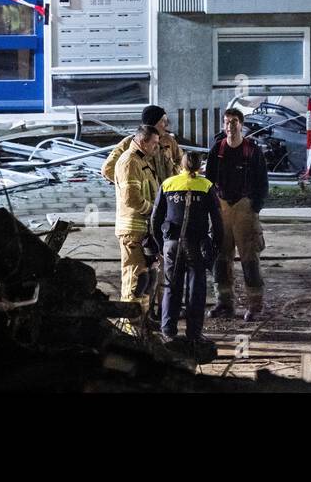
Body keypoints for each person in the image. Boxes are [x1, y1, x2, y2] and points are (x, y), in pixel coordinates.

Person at [150, 151, 223, 351]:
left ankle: (168, 332)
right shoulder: (206, 186)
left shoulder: (168, 184)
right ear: (200, 167)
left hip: (171, 243)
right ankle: (193, 335)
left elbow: (155, 218)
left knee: (171, 287)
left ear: (181, 165)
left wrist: (159, 244)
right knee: (195, 290)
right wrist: (215, 247)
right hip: (196, 244)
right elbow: (217, 221)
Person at [206, 107, 269, 321]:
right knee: (221, 260)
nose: (230, 126)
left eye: (233, 122)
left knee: (250, 259)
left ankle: (255, 305)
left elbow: (263, 182)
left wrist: (254, 207)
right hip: (222, 208)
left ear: (241, 124)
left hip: (245, 210)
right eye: (226, 122)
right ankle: (224, 303)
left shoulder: (252, 151)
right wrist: (213, 208)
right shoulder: (217, 150)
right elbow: (209, 181)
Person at [112, 125, 162, 333]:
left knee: (147, 277)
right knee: (135, 278)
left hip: (143, 230)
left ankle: (142, 319)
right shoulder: (130, 162)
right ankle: (129, 325)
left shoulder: (141, 161)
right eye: (154, 143)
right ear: (143, 141)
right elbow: (131, 198)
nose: (157, 148)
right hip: (133, 230)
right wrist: (154, 210)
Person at [101, 105, 182, 187]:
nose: (166, 124)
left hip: (166, 195)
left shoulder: (168, 140)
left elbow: (181, 161)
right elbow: (107, 169)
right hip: (144, 198)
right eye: (163, 121)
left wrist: (174, 176)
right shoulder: (131, 143)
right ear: (153, 122)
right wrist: (131, 184)